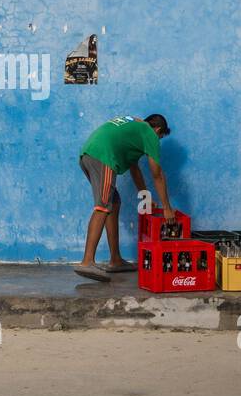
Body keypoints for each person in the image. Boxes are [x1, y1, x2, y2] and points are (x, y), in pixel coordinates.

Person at [76, 113, 177, 281]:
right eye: (159, 137)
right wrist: (167, 207)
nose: (157, 141)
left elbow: (134, 168)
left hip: (89, 155)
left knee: (113, 202)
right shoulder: (150, 133)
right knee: (102, 206)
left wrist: (145, 195)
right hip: (103, 157)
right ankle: (87, 262)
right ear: (158, 130)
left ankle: (116, 260)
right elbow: (157, 173)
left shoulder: (135, 128)